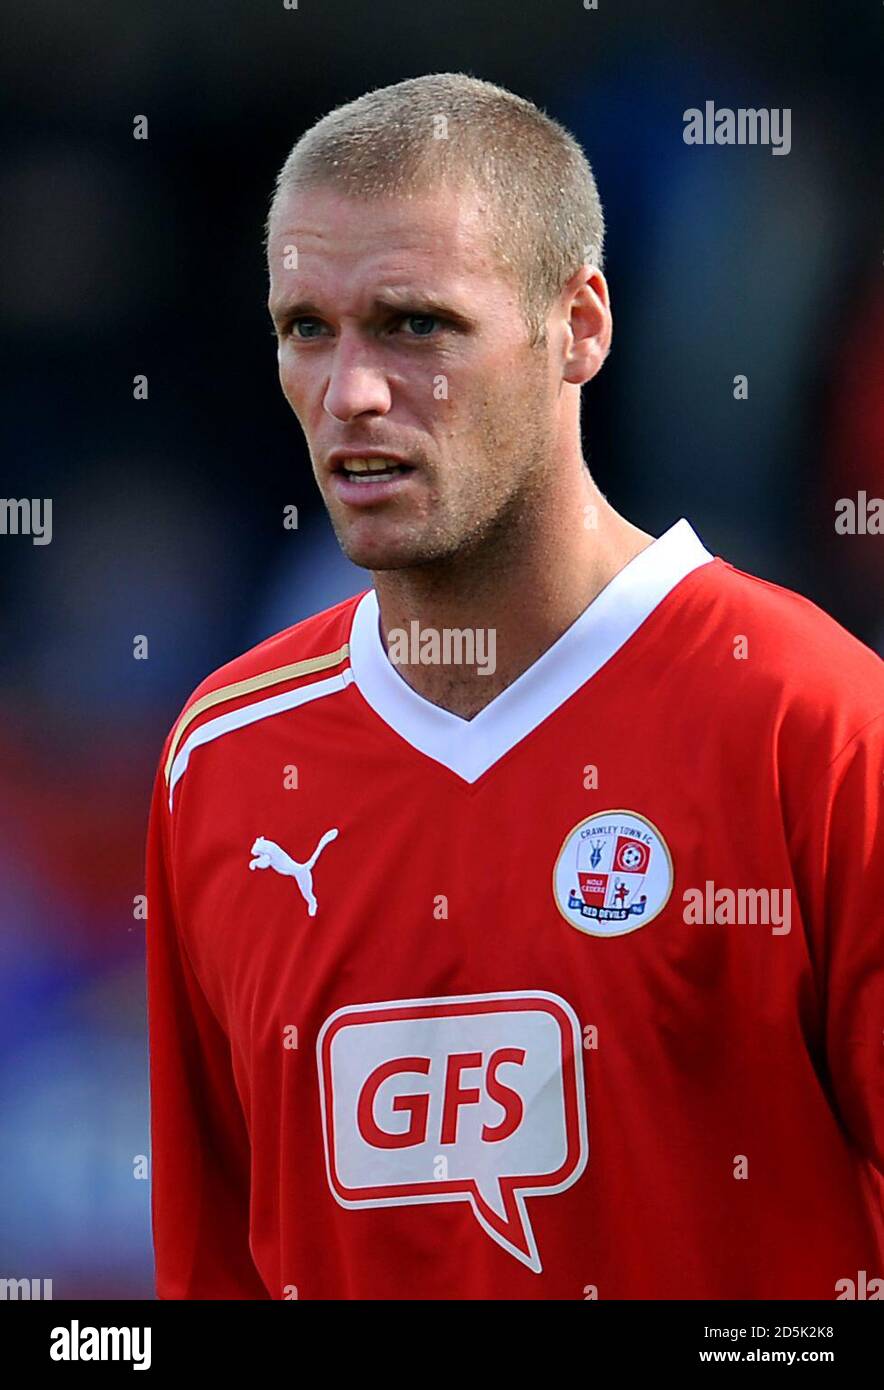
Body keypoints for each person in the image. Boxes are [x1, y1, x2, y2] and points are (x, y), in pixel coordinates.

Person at [146, 73, 884, 1299]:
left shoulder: (809, 722)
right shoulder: (224, 758)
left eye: (416, 324)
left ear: (577, 324)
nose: (352, 395)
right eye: (305, 329)